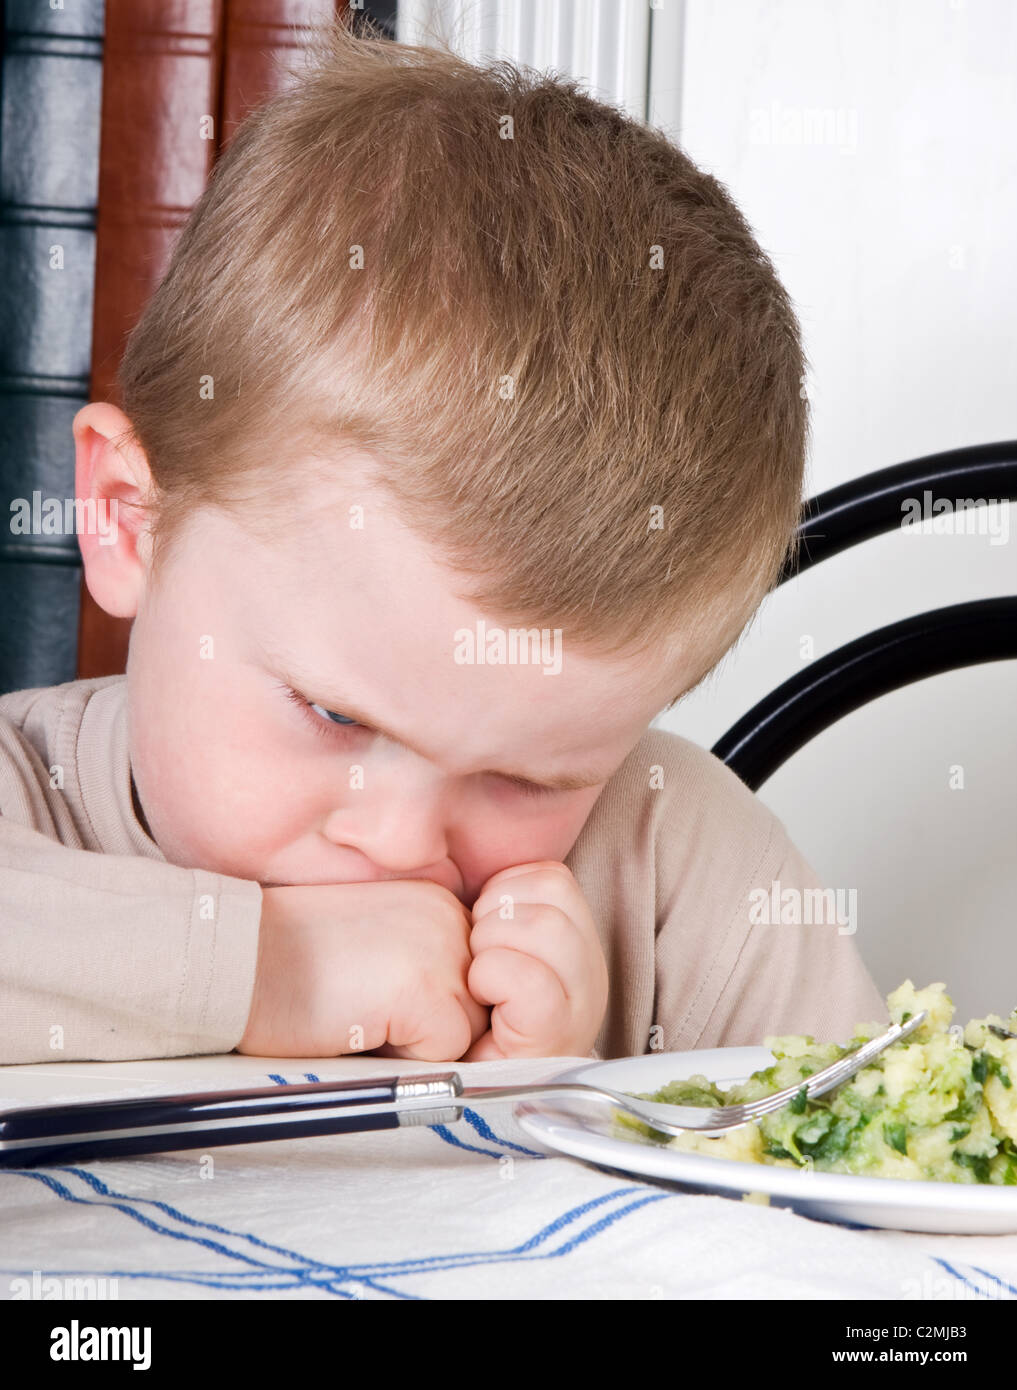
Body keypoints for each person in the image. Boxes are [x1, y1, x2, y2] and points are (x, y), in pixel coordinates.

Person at [0, 20, 884, 1067]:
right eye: (334, 714)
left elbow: (875, 1164)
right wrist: (272, 970)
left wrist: (589, 1102)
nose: (404, 846)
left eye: (528, 779)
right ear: (128, 517)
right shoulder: (27, 799)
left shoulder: (677, 868)